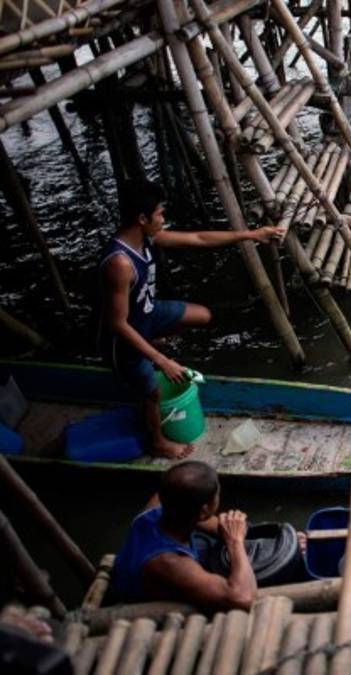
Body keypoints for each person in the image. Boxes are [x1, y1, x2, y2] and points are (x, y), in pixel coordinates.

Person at [97, 178, 282, 459]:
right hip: (123, 339)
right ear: (142, 218)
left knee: (201, 315)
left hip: (147, 313)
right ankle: (157, 442)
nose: (163, 218)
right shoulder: (120, 264)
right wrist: (161, 360)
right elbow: (117, 323)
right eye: (159, 213)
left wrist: (251, 234)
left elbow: (198, 239)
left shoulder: (148, 236)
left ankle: (154, 342)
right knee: (153, 395)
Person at [110, 461, 257, 611]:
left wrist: (231, 527)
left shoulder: (167, 506)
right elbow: (243, 599)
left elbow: (217, 526)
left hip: (137, 565)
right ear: (204, 510)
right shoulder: (170, 564)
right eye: (217, 494)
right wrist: (235, 542)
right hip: (138, 603)